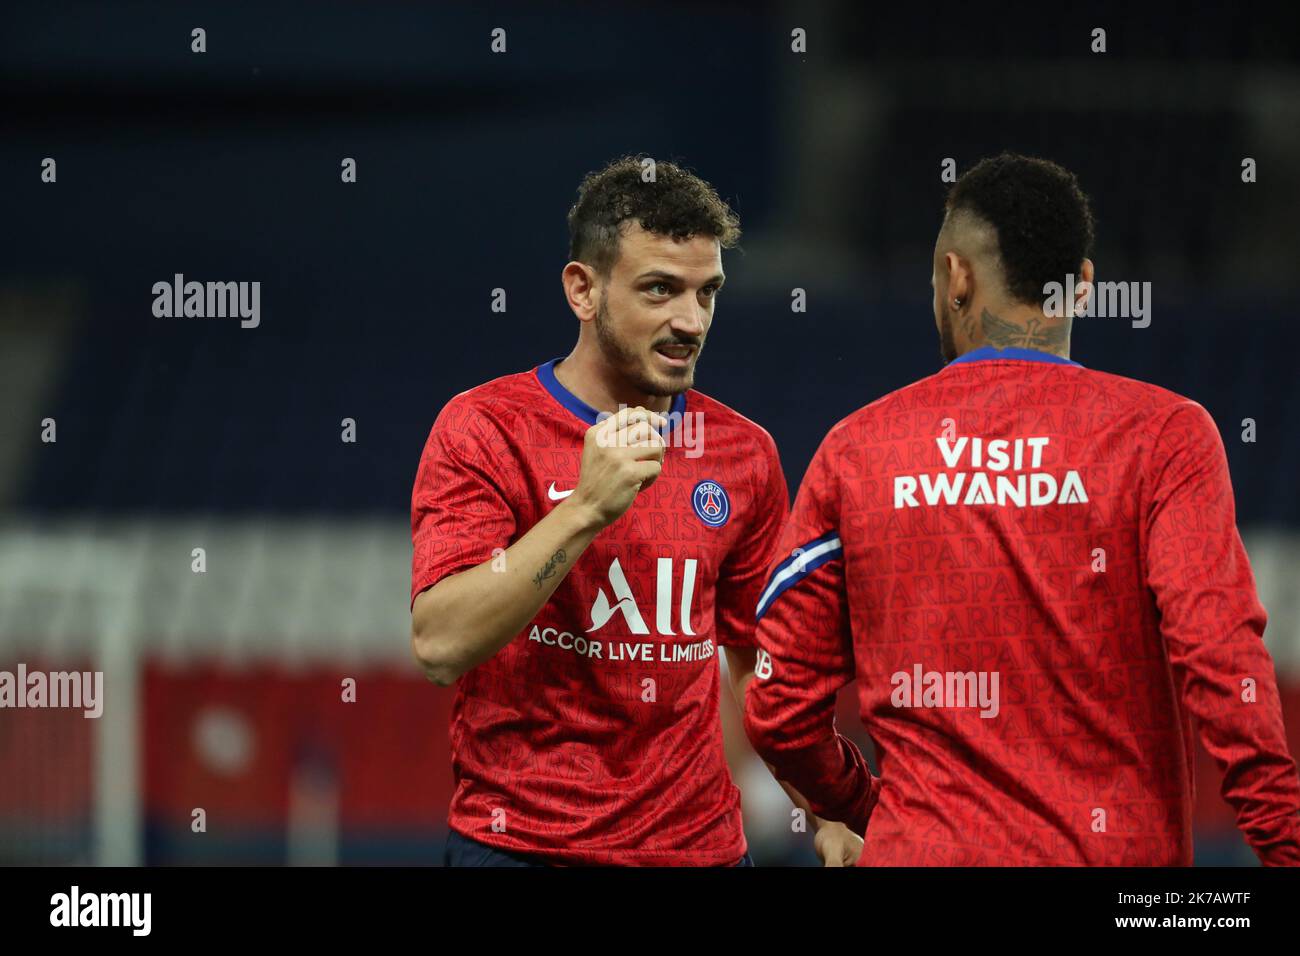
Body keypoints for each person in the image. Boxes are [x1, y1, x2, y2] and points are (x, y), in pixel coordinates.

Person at [743, 152, 1300, 865]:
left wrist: (870, 809)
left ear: (956, 277)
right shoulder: (1164, 437)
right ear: (1086, 288)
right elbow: (1225, 664)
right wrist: (1284, 843)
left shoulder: (860, 449)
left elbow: (780, 709)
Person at [411, 155, 860, 865]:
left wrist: (826, 806)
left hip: (700, 850)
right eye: (659, 290)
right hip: (522, 847)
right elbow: (440, 646)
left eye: (706, 292)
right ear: (582, 291)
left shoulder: (743, 454)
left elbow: (757, 668)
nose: (691, 320)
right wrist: (584, 508)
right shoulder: (485, 429)